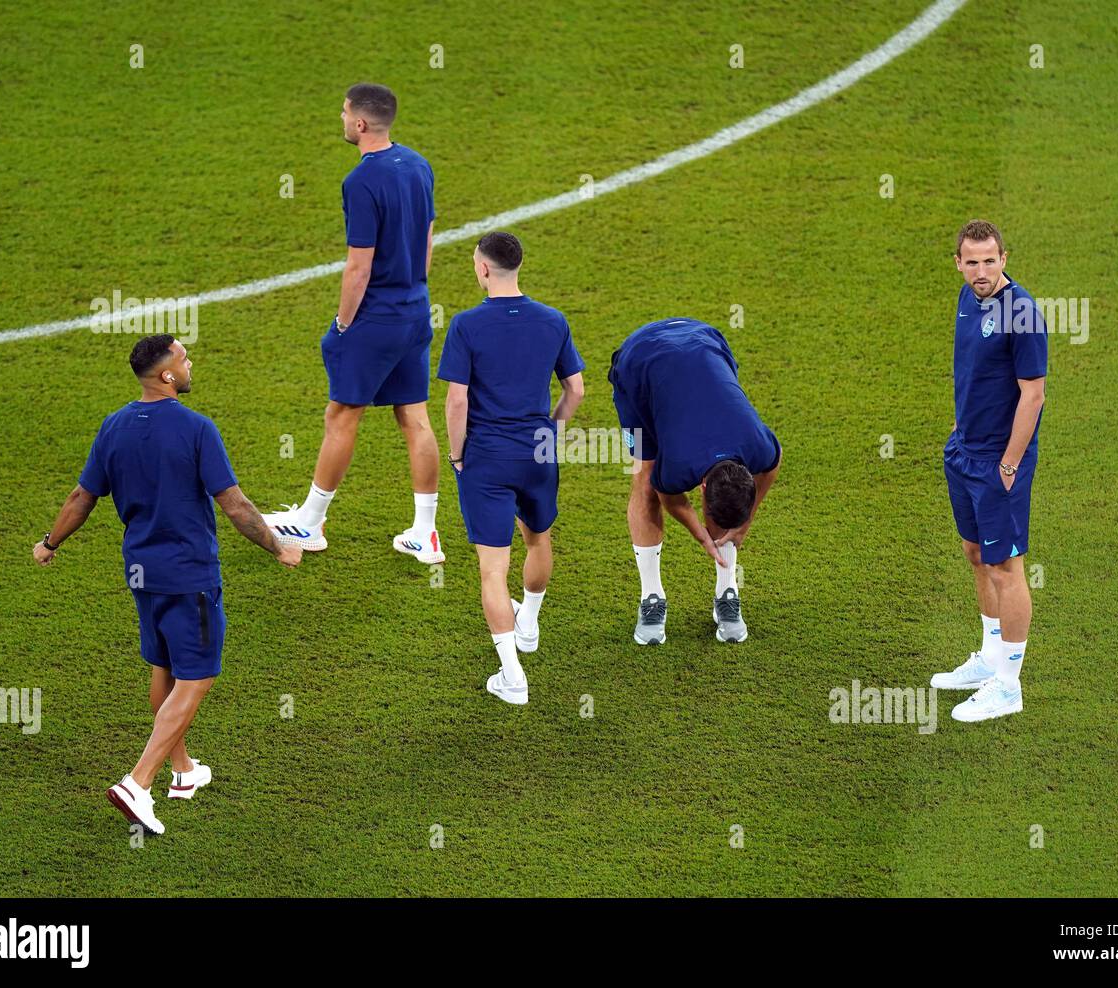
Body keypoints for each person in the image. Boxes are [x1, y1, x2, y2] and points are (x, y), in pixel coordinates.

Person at [33, 335, 302, 834]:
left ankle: (183, 772)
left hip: (142, 572)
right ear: (167, 376)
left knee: (165, 666)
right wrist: (279, 546)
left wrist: (50, 542)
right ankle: (139, 782)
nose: (190, 361)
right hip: (189, 576)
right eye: (183, 358)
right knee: (197, 677)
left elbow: (81, 497)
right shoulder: (196, 428)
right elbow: (236, 506)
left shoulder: (112, 427)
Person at [263, 83, 443, 563]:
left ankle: (309, 523)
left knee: (342, 415)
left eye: (344, 112)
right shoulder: (419, 164)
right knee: (415, 416)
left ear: (360, 124)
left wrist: (345, 324)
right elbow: (427, 238)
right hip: (414, 306)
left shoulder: (361, 181)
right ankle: (425, 533)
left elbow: (358, 266)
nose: (341, 119)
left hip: (377, 315)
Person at [437, 232, 585, 704]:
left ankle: (512, 675)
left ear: (483, 269)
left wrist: (458, 455)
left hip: (488, 457)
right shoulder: (553, 320)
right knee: (538, 538)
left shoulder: (465, 325)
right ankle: (530, 625)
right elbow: (576, 389)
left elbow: (457, 400)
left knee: (492, 570)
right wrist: (551, 433)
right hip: (538, 451)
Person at [933, 219, 1047, 723]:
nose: (981, 270)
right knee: (976, 552)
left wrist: (1009, 463)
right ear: (958, 263)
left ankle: (1008, 684)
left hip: (1000, 462)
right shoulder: (967, 300)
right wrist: (960, 429)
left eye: (989, 260)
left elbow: (1033, 393)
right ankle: (988, 658)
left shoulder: (1020, 311)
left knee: (1007, 566)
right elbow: (973, 371)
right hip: (965, 451)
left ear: (1005, 259)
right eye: (971, 261)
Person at [608, 317, 781, 645]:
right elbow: (668, 497)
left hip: (706, 342)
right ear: (700, 486)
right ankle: (652, 598)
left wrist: (744, 523)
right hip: (640, 363)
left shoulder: (758, 446)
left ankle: (726, 592)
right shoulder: (677, 467)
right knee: (645, 482)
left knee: (727, 504)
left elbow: (773, 465)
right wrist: (701, 536)